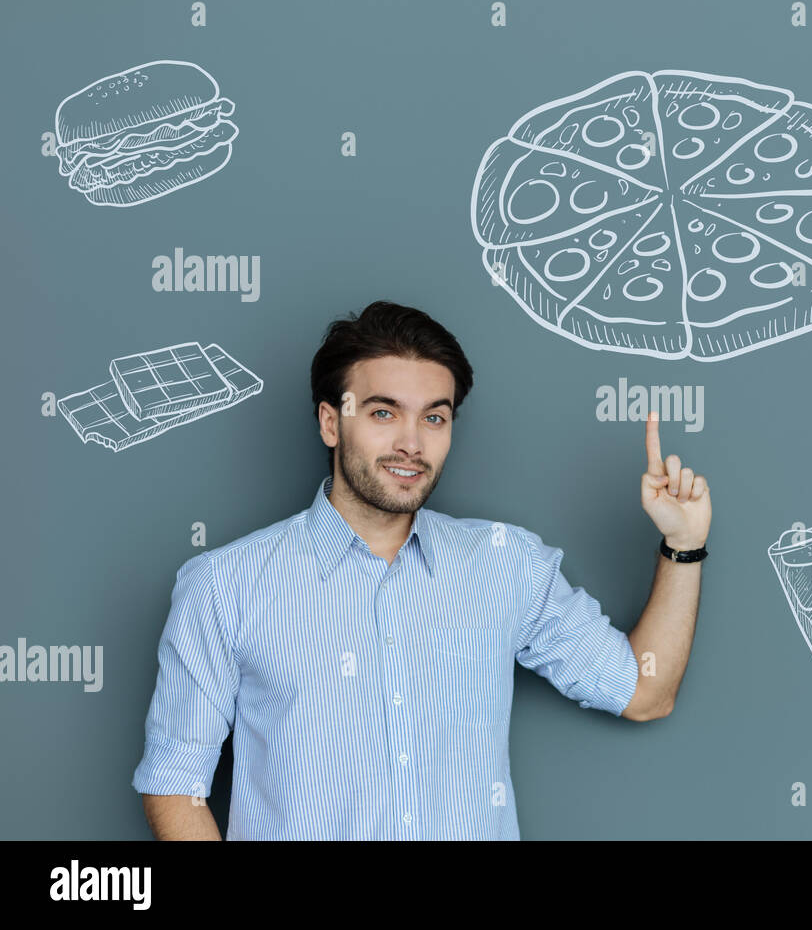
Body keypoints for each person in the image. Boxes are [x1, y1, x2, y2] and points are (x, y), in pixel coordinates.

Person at [131, 301, 710, 839]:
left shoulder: (504, 566)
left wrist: (683, 545)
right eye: (384, 413)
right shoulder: (225, 586)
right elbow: (175, 784)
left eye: (435, 418)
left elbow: (644, 691)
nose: (412, 443)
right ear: (332, 423)